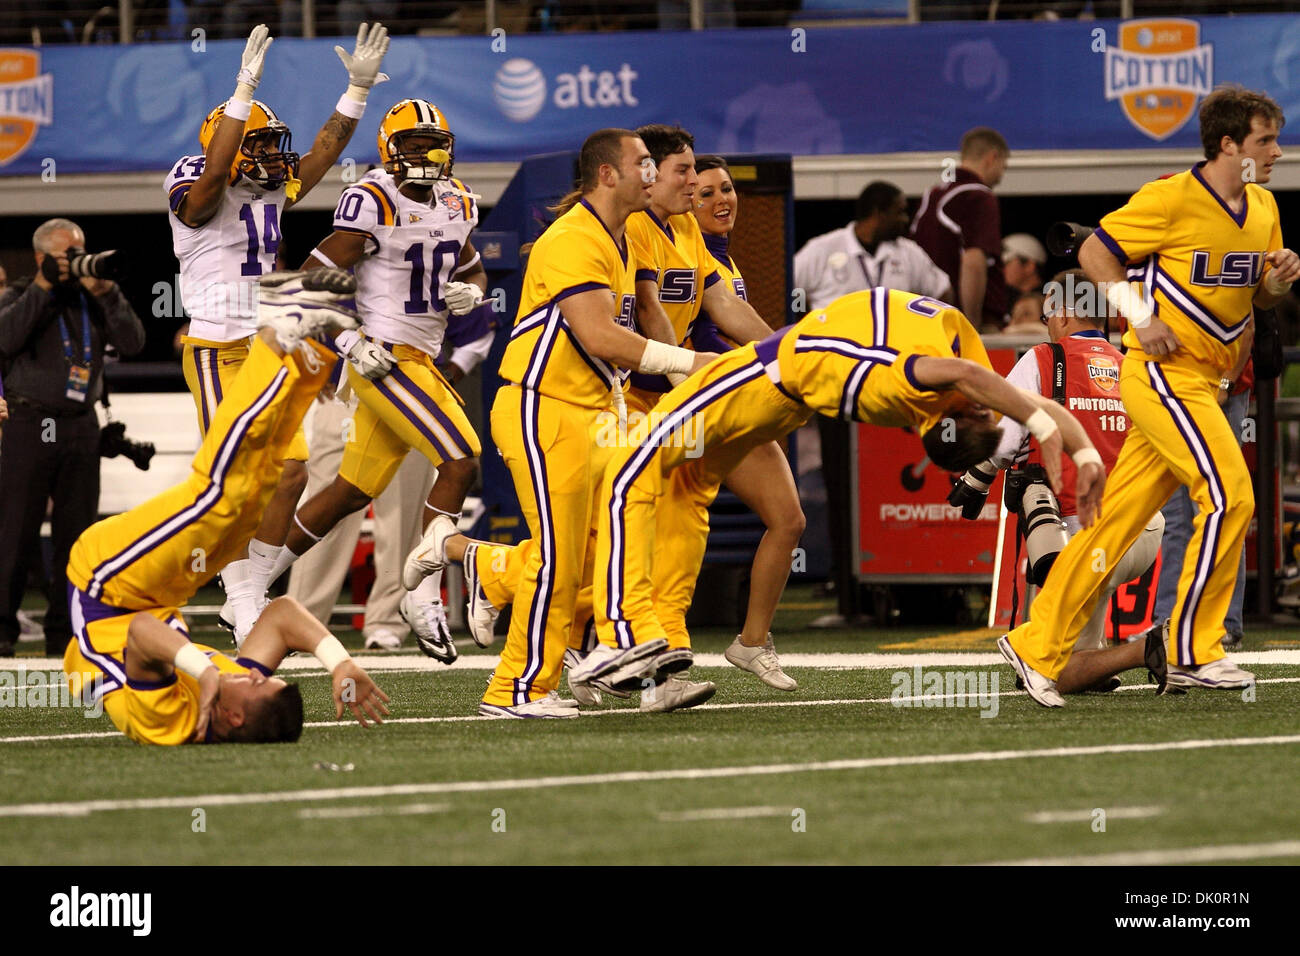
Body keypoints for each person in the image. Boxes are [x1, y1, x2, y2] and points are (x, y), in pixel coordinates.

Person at [586, 288, 1105, 700]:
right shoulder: (949, 384)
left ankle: (622, 640)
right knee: (673, 488)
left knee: (627, 472)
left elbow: (994, 389)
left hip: (768, 381)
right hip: (775, 384)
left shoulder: (920, 386)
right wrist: (1079, 454)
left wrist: (1068, 444)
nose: (996, 407)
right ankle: (646, 649)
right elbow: (1004, 391)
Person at [999, 85, 1299, 706]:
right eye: (1264, 140)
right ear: (1228, 145)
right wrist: (1139, 315)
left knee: (1118, 522)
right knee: (1229, 495)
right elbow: (1093, 251)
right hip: (1163, 377)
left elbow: (1257, 300)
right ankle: (1194, 648)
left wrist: (1275, 282)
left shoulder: (1265, 208)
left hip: (1206, 384)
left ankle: (1035, 641)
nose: (1277, 150)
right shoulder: (1171, 198)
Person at [62, 271, 389, 745]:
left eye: (259, 682)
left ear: (233, 718)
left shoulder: (170, 724)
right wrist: (339, 659)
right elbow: (281, 616)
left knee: (216, 497)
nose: (255, 673)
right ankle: (311, 352)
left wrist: (202, 671)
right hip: (155, 591)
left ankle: (272, 337)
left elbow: (139, 631)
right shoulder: (235, 693)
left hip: (104, 584)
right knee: (257, 492)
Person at [476, 127, 714, 719]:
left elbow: (643, 325)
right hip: (542, 406)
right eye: (643, 164)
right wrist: (691, 363)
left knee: (637, 501)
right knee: (557, 556)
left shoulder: (622, 237)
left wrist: (693, 380)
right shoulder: (573, 238)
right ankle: (516, 689)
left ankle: (614, 643)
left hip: (594, 411)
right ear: (608, 174)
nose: (654, 174)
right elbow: (599, 335)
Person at [167, 23, 389, 645]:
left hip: (270, 341)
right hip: (216, 348)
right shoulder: (193, 179)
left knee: (292, 471)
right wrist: (242, 90)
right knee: (241, 472)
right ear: (228, 147)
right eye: (257, 146)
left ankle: (247, 590)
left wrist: (357, 91)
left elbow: (321, 148)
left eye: (270, 145)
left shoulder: (270, 184)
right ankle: (215, 586)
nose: (271, 157)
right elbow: (210, 186)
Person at [251, 99, 487, 665]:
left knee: (350, 492)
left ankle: (256, 581)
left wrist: (472, 291)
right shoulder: (373, 199)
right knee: (460, 460)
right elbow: (301, 284)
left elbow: (472, 265)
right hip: (385, 355)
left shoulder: (458, 200)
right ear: (387, 149)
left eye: (433, 143)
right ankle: (422, 595)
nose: (424, 155)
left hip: (422, 355)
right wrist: (350, 340)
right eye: (411, 144)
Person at [950, 269, 1167, 694]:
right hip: (1145, 531)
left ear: (1065, 313)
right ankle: (1096, 657)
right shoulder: (1132, 366)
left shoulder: (1043, 357)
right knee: (1073, 663)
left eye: (1050, 313)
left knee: (1032, 483)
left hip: (1083, 535)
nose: (1048, 323)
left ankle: (1149, 649)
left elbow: (1003, 440)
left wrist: (976, 478)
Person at [286, 297, 494, 650]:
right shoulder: (347, 251)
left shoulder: (427, 251)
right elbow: (303, 309)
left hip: (408, 390)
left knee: (401, 515)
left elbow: (478, 324)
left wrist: (451, 372)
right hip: (345, 391)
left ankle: (387, 622)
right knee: (328, 503)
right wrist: (314, 370)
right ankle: (297, 617)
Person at [795, 179, 952, 628]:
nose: (907, 221)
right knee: (842, 489)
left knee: (889, 487)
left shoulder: (908, 254)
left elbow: (943, 294)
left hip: (897, 387)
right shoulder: (823, 250)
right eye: (902, 211)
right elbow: (789, 290)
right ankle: (849, 599)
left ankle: (903, 592)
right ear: (877, 212)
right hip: (837, 385)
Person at [0, 219, 145, 658]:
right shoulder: (21, 293)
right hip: (28, 423)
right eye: (69, 253)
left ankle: (65, 636)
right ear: (43, 258)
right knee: (14, 534)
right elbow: (4, 338)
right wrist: (44, 287)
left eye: (82, 250)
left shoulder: (94, 297)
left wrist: (108, 293)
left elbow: (133, 341)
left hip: (81, 426)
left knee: (76, 536)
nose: (79, 260)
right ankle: (1, 633)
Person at [911, 127, 1010, 331]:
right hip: (961, 323)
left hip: (928, 320)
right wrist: (971, 326)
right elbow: (973, 261)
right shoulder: (978, 197)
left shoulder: (931, 196)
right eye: (1004, 167)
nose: (1001, 176)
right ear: (993, 157)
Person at [1002, 232, 1048, 307]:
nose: (1002, 269)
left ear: (1029, 266)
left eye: (1007, 263)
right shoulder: (1006, 301)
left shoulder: (1053, 303)